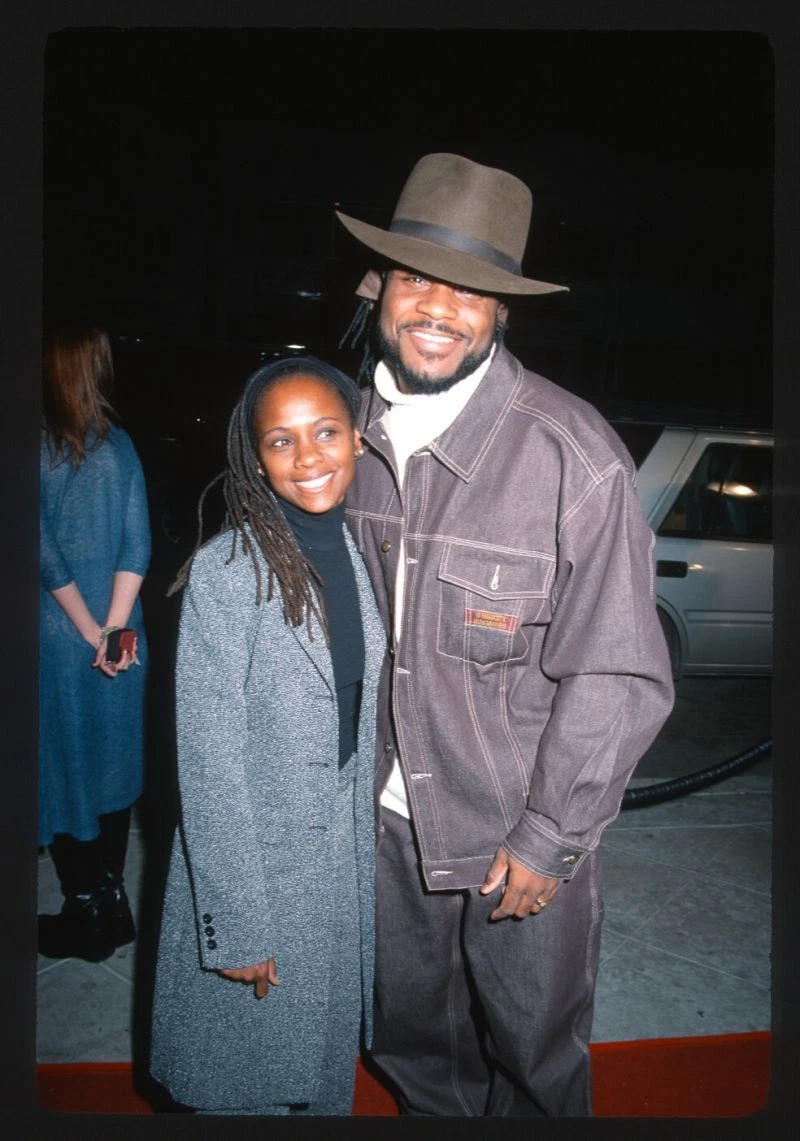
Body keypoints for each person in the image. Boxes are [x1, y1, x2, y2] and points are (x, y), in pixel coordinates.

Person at [335, 152, 675, 1117]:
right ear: (380, 288)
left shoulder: (575, 458)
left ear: (501, 312)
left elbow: (618, 673)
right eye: (414, 276)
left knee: (533, 1060)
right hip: (379, 827)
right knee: (412, 1046)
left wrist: (549, 836)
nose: (436, 305)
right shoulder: (337, 439)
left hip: (508, 835)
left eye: (469, 288)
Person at [149, 356, 386, 1116]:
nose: (308, 456)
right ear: (256, 458)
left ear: (357, 437)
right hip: (256, 859)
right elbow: (208, 762)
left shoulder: (358, 548)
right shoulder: (229, 571)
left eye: (325, 432)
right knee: (241, 1080)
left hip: (339, 854)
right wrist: (237, 923)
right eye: (281, 442)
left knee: (318, 1067)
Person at [39, 324, 151, 963]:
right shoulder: (122, 445)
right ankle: (112, 905)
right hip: (123, 637)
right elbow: (138, 545)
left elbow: (45, 556)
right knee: (110, 768)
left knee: (64, 773)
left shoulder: (34, 447)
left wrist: (86, 633)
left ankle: (86, 915)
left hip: (58, 642)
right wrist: (112, 630)